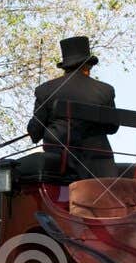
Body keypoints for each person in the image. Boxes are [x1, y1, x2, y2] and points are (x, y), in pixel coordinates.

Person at [22, 36, 118, 180]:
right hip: (100, 165)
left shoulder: (46, 90)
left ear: (65, 67)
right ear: (88, 66)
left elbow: (35, 132)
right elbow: (112, 127)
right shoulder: (105, 90)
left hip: (60, 163)